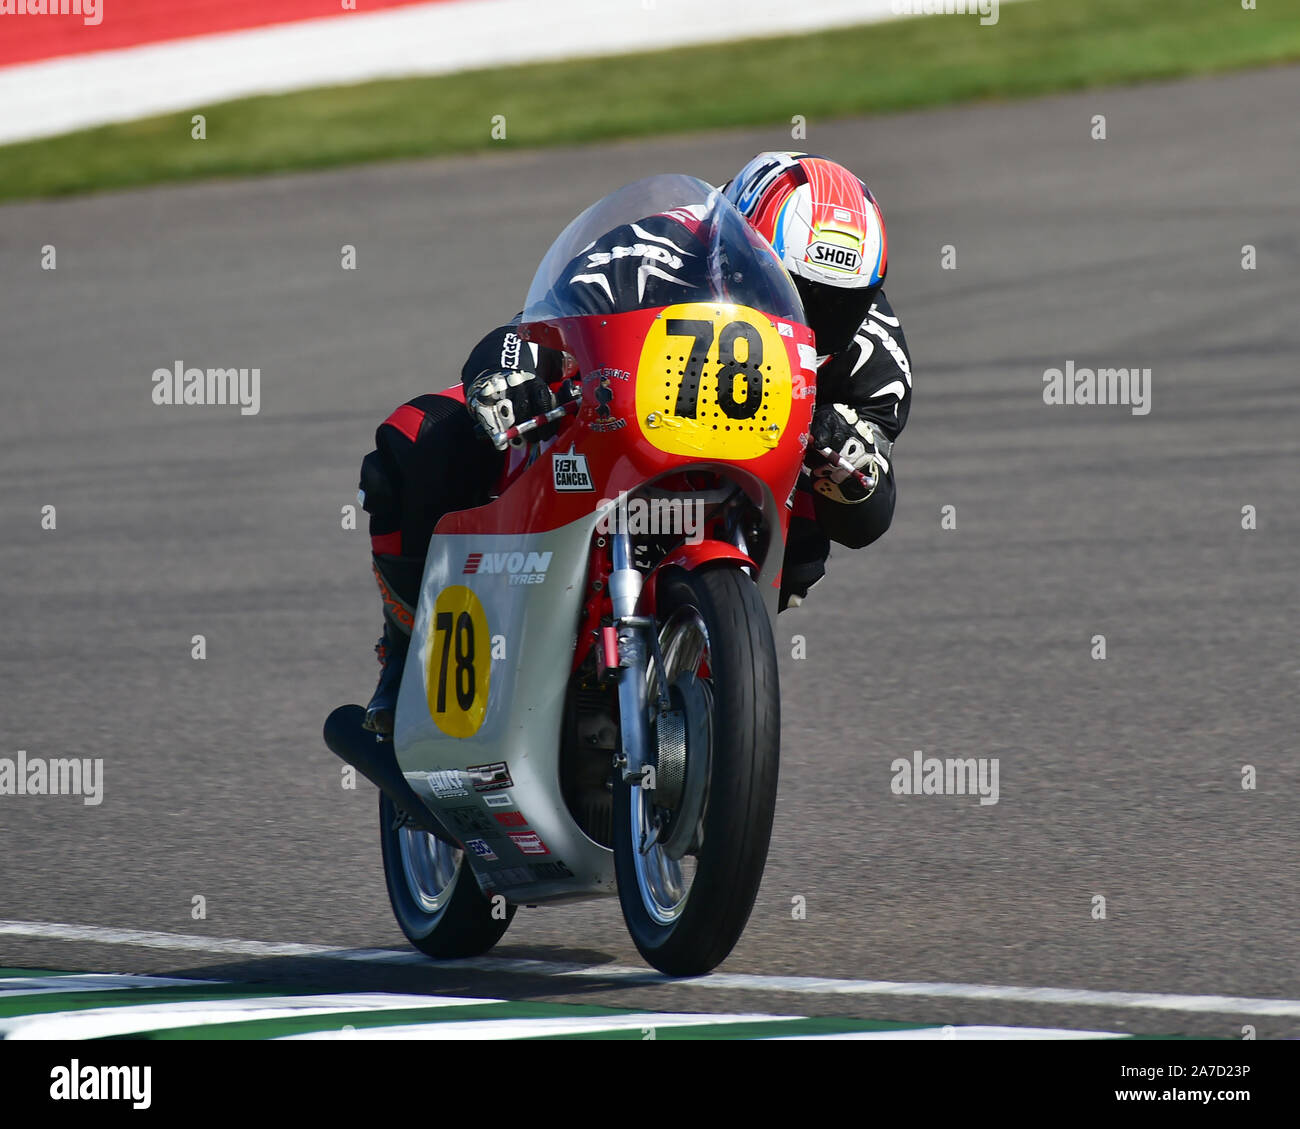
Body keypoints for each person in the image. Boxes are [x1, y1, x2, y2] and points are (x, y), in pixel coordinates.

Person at [356, 153, 912, 735]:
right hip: (617, 438)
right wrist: (506, 382)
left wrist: (847, 457)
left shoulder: (874, 342)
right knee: (422, 433)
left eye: (838, 304)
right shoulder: (652, 249)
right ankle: (405, 649)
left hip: (752, 494)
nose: (815, 315)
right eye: (793, 288)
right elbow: (529, 334)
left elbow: (869, 514)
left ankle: (713, 651)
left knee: (844, 499)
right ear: (737, 244)